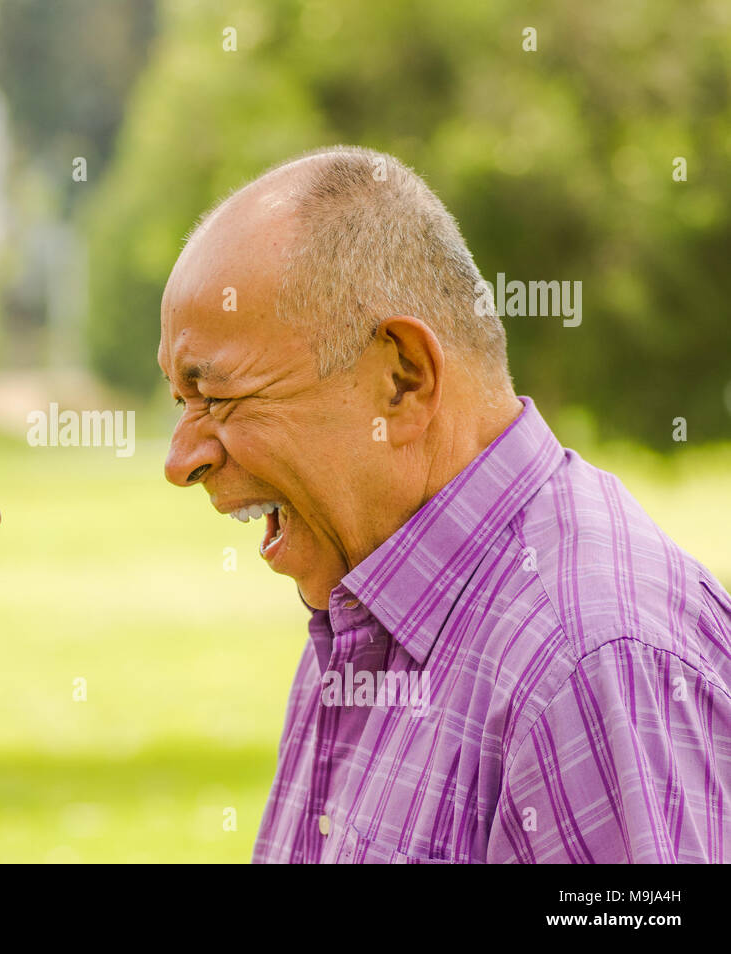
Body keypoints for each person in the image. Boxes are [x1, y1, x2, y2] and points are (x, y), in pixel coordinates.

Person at [158, 145, 731, 863]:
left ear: (401, 380)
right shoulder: (365, 615)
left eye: (216, 397)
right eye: (180, 403)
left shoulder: (589, 666)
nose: (182, 462)